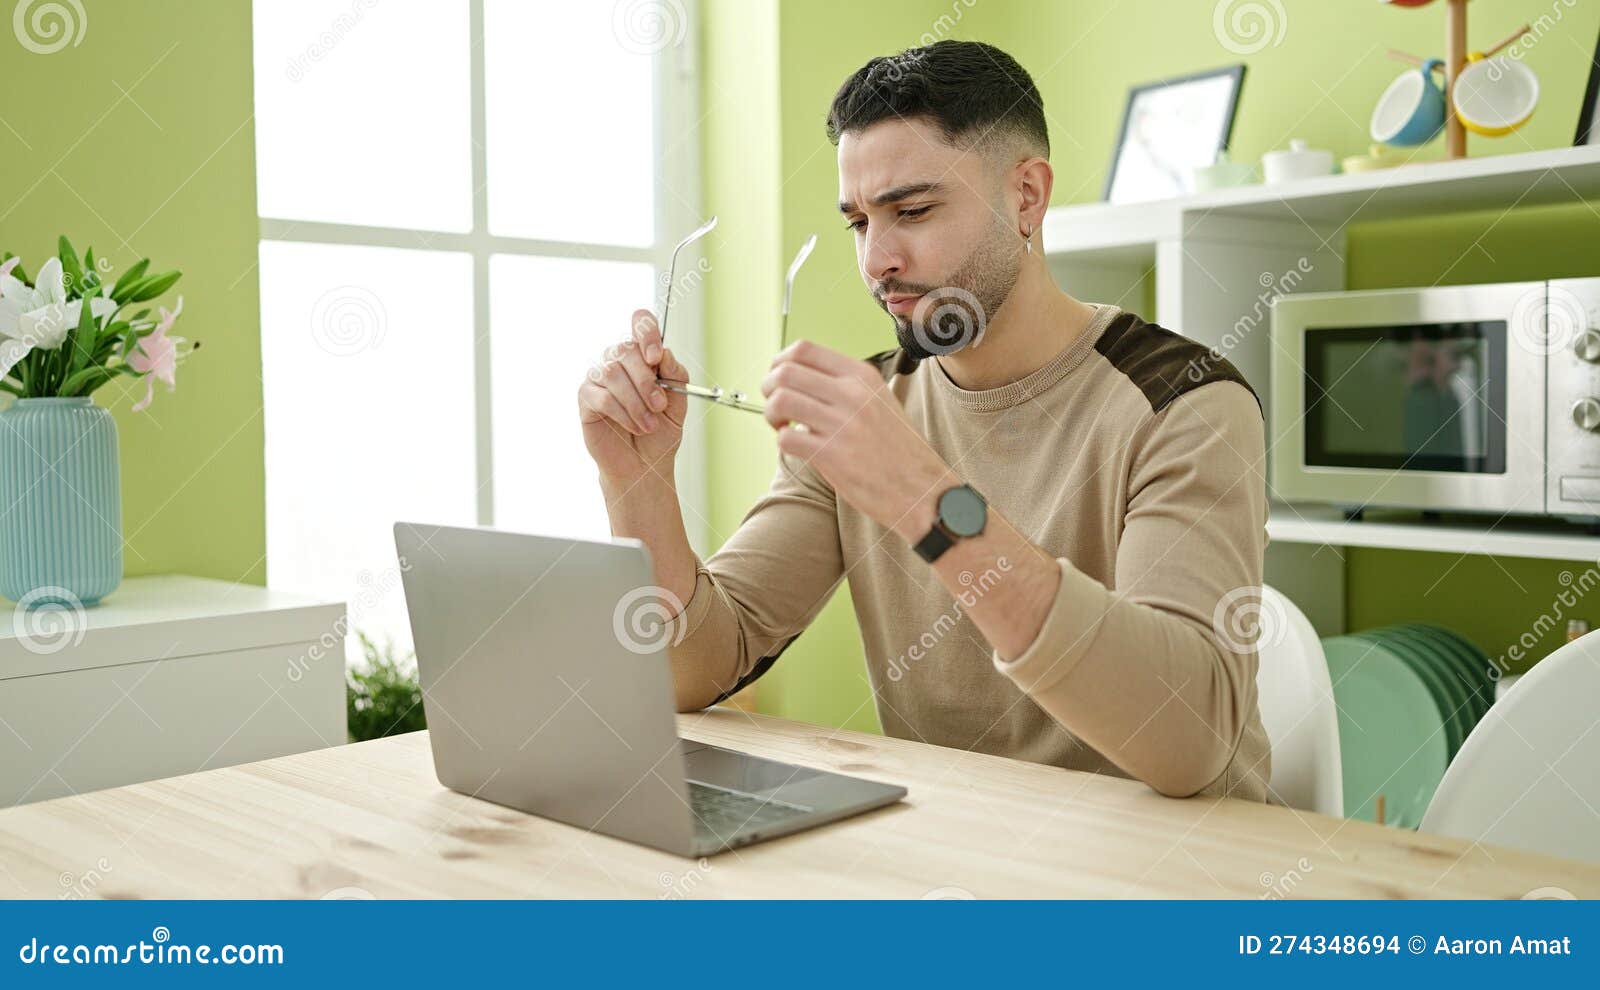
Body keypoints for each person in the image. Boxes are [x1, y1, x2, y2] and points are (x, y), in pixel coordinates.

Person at [577, 40, 1270, 800]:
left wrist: (925, 499)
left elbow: (1188, 741)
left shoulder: (1185, 403)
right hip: (958, 865)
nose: (878, 259)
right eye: (858, 223)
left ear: (1027, 197)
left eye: (912, 210)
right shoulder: (868, 409)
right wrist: (637, 481)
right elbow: (694, 669)